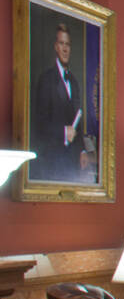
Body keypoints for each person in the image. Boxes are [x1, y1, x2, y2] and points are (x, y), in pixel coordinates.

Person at [31, 23, 86, 182]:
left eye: (67, 44)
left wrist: (82, 150)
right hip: (52, 161)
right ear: (56, 47)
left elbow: (78, 120)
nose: (65, 49)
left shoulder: (74, 82)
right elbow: (39, 125)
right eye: (61, 44)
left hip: (73, 163)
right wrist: (63, 132)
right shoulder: (46, 79)